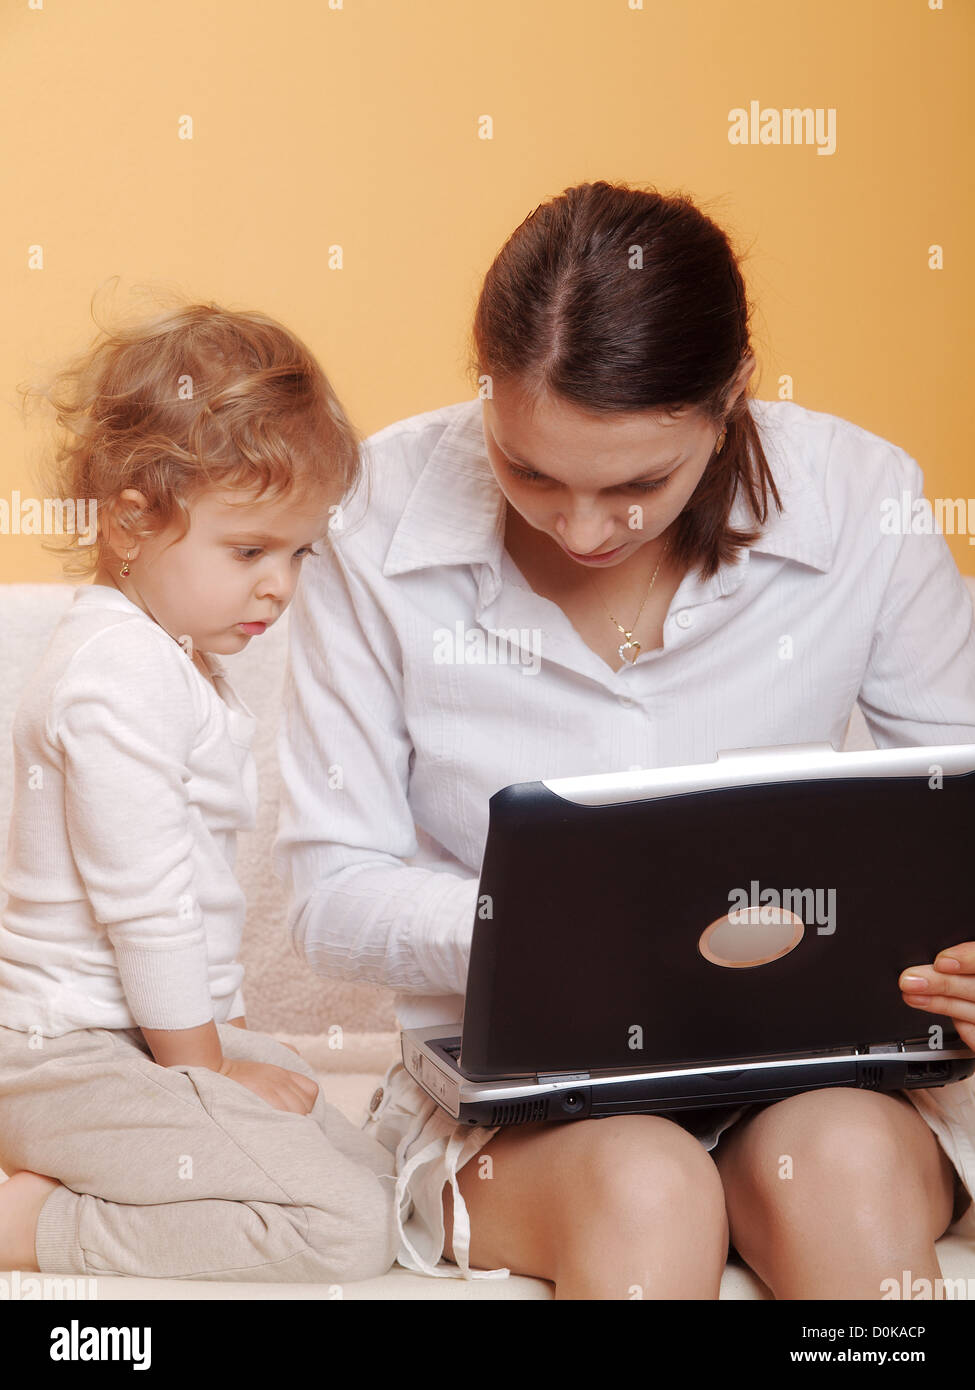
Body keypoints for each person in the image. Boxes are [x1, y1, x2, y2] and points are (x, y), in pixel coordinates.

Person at [274, 180, 975, 1300]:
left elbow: (958, 810)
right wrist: (560, 929)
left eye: (640, 484)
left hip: (816, 1070)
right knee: (649, 1184)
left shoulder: (859, 500)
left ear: (732, 398)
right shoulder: (375, 520)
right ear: (485, 388)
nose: (585, 528)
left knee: (837, 1169)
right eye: (529, 470)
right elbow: (331, 891)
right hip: (528, 1096)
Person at [0, 301, 397, 1283]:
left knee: (375, 1173)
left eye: (298, 553)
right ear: (132, 521)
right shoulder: (117, 673)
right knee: (346, 1227)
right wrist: (208, 1074)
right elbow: (147, 908)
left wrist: (223, 1058)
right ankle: (32, 1223)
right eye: (250, 551)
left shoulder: (173, 662)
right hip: (68, 1054)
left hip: (147, 1040)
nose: (280, 588)